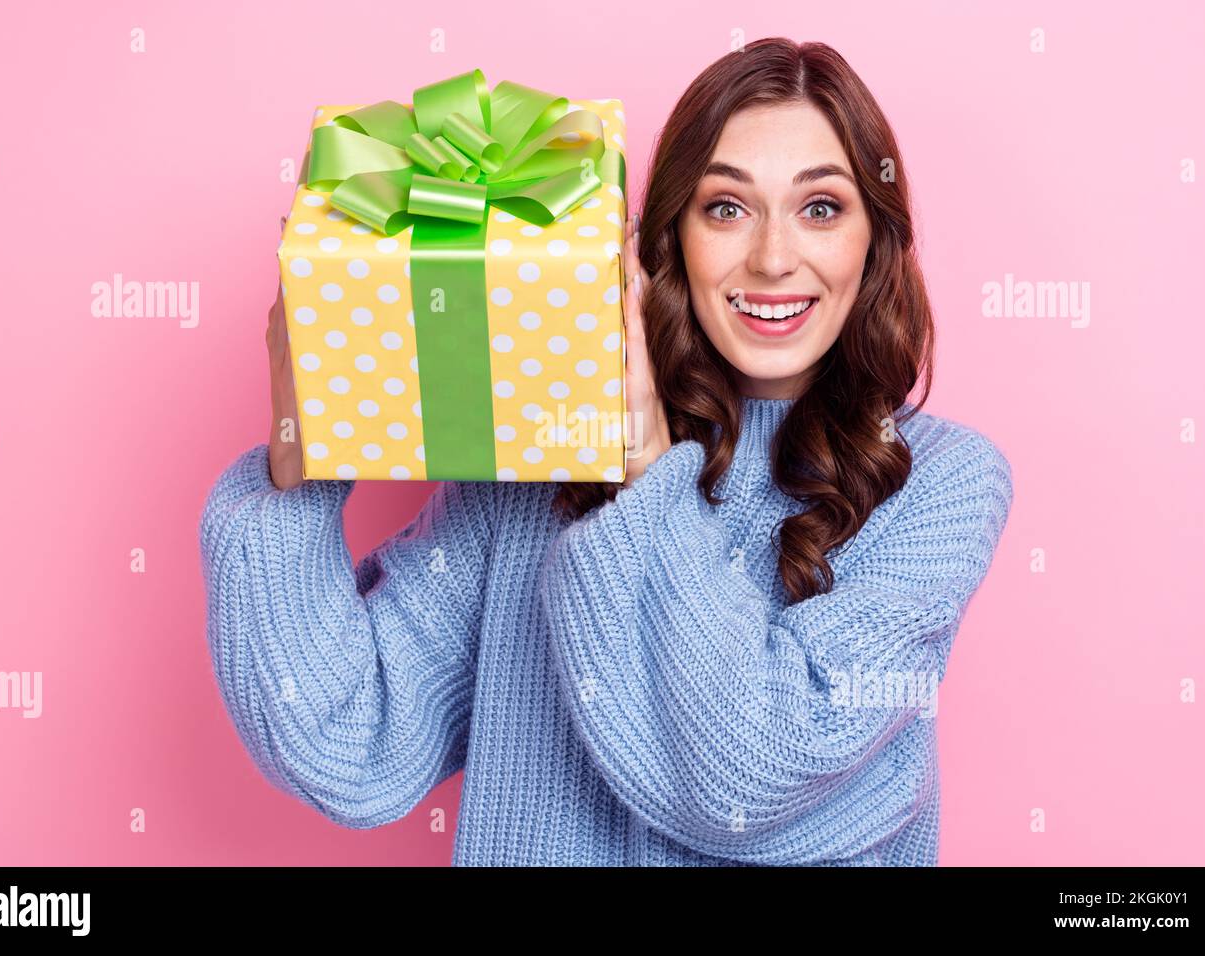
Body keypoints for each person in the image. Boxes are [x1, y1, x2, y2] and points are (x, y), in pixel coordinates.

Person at [198, 37, 1014, 866]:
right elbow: (348, 745)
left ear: (876, 239)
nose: (773, 259)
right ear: (671, 236)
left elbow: (753, 772)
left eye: (821, 208)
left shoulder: (941, 483)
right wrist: (299, 456)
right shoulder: (544, 446)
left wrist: (647, 470)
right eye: (726, 208)